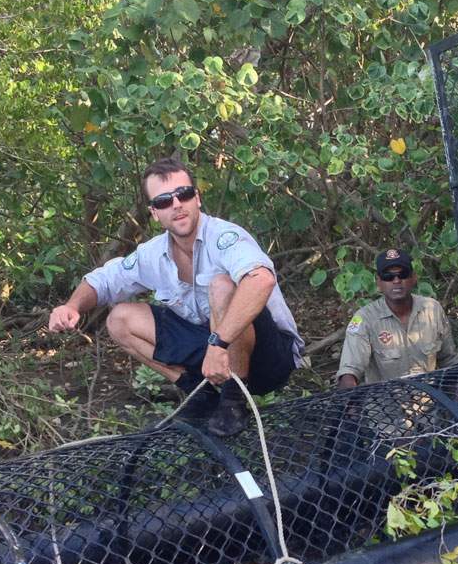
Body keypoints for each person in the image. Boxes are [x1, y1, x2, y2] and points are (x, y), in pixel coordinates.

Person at [48, 156, 304, 438]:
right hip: (211, 353)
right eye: (163, 201)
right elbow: (104, 280)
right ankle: (201, 395)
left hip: (269, 359)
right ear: (155, 213)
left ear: (197, 198)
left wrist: (218, 344)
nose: (176, 204)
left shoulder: (226, 237)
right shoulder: (153, 253)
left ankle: (232, 402)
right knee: (119, 319)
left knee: (222, 284)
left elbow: (261, 279)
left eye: (183, 194)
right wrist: (72, 306)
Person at [336, 248, 458, 388]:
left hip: (431, 402)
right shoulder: (365, 318)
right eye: (388, 276)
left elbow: (450, 360)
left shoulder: (432, 309)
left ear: (413, 277)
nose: (396, 280)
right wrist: (350, 405)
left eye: (403, 274)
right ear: (378, 282)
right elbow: (349, 372)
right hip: (384, 407)